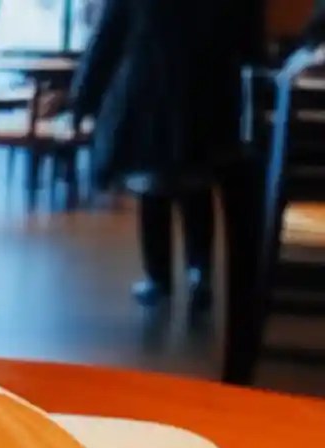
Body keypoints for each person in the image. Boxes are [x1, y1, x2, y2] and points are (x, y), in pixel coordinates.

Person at [72, 0, 259, 311]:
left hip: (151, 89)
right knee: (197, 187)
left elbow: (109, 36)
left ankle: (159, 278)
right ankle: (200, 273)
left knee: (152, 189)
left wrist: (84, 96)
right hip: (210, 94)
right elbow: (249, 44)